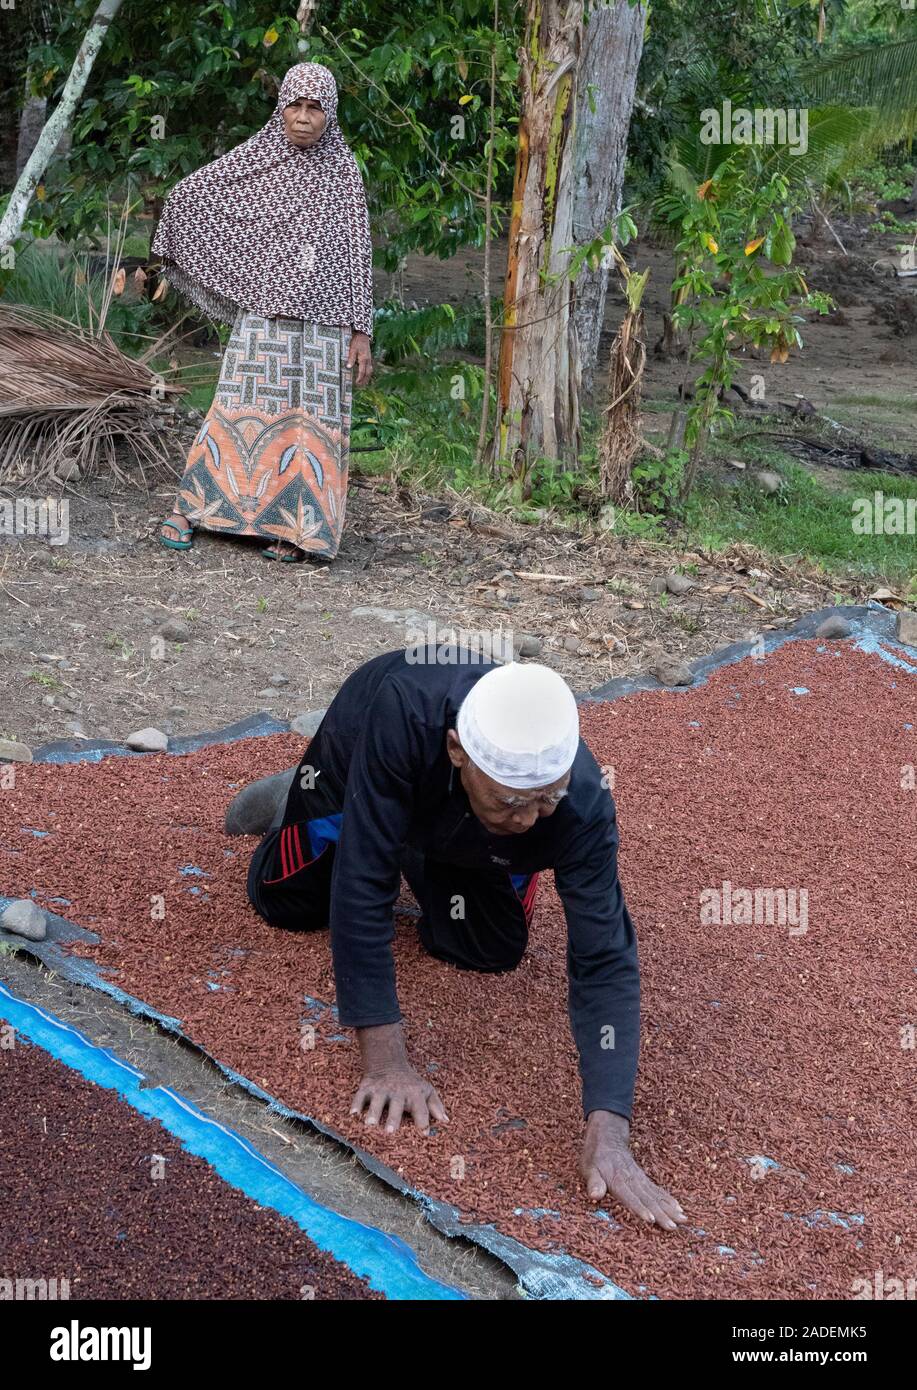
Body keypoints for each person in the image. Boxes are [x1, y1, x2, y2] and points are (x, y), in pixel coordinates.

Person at [246, 644, 687, 1229]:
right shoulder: (403, 709)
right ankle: (318, 801)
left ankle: (428, 833)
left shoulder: (580, 805)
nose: (531, 820)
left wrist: (609, 1127)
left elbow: (604, 960)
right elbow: (363, 886)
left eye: (545, 800)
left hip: (452, 805)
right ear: (458, 750)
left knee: (487, 948)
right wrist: (386, 1062)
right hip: (368, 754)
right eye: (513, 800)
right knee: (289, 902)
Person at [151, 62, 373, 563]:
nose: (302, 117)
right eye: (294, 104)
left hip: (324, 324)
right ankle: (194, 508)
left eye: (315, 108)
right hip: (264, 317)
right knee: (234, 404)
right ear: (281, 108)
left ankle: (295, 526)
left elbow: (358, 253)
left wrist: (362, 331)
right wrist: (176, 231)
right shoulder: (257, 158)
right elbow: (196, 197)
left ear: (329, 114)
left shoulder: (343, 171)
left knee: (307, 422)